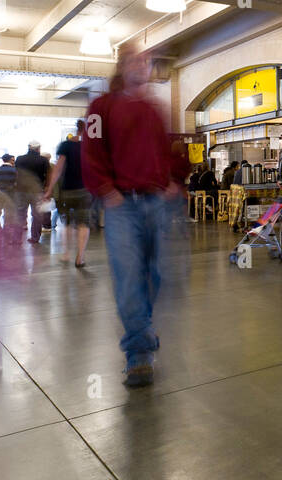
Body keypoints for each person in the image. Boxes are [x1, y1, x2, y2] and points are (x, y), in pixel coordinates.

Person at [84, 47, 182, 387]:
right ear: (123, 67)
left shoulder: (155, 110)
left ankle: (142, 326)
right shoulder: (100, 107)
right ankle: (138, 352)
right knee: (128, 276)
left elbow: (164, 151)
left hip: (156, 201)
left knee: (158, 274)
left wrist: (169, 180)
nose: (142, 65)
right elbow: (91, 149)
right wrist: (106, 190)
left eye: (147, 61)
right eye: (135, 61)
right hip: (121, 205)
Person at [45, 121, 91, 267]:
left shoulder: (66, 145)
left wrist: (50, 188)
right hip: (85, 190)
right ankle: (80, 258)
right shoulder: (90, 146)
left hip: (68, 190)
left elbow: (58, 169)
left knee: (68, 224)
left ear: (76, 129)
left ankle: (66, 255)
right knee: (84, 224)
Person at [14, 141, 50, 245]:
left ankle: (17, 239)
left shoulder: (20, 159)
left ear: (29, 148)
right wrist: (47, 187)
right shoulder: (43, 160)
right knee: (37, 215)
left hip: (21, 190)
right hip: (37, 191)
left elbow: (16, 174)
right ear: (38, 149)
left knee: (20, 214)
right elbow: (48, 175)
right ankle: (35, 238)